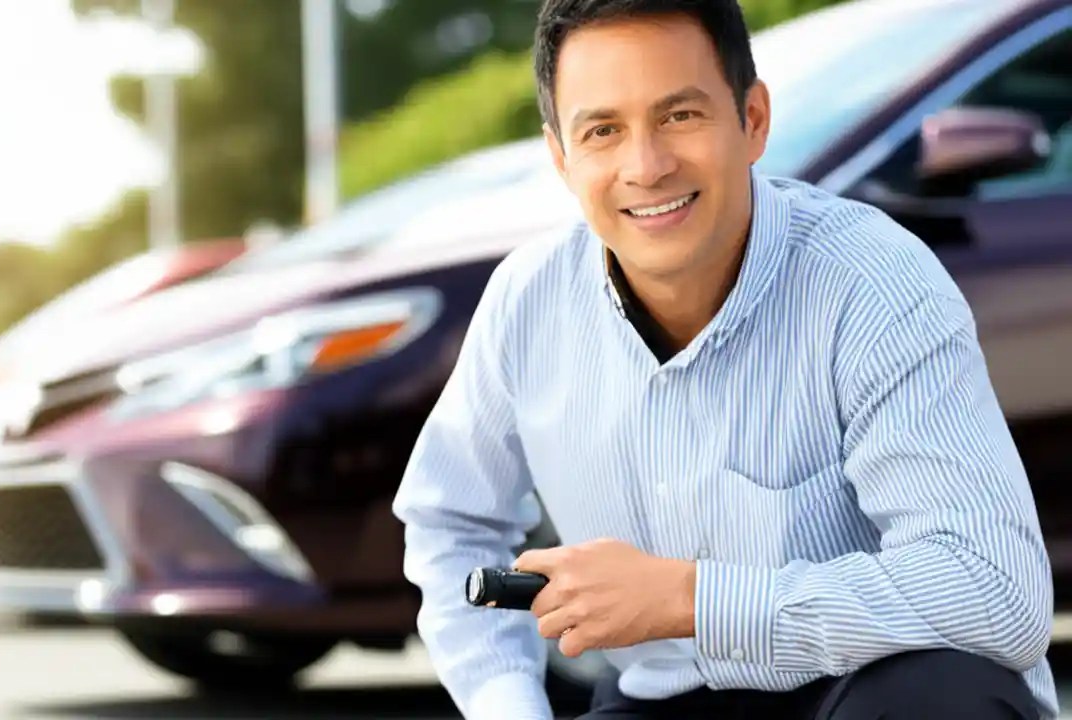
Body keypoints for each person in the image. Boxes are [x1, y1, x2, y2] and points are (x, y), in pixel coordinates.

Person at [390, 1, 1058, 719]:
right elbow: (449, 523)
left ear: (754, 120)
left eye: (680, 115)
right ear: (561, 157)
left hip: (869, 689)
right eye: (603, 131)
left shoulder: (874, 283)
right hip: (661, 698)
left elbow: (995, 590)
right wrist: (507, 706)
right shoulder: (528, 301)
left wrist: (692, 599)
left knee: (939, 699)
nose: (645, 166)